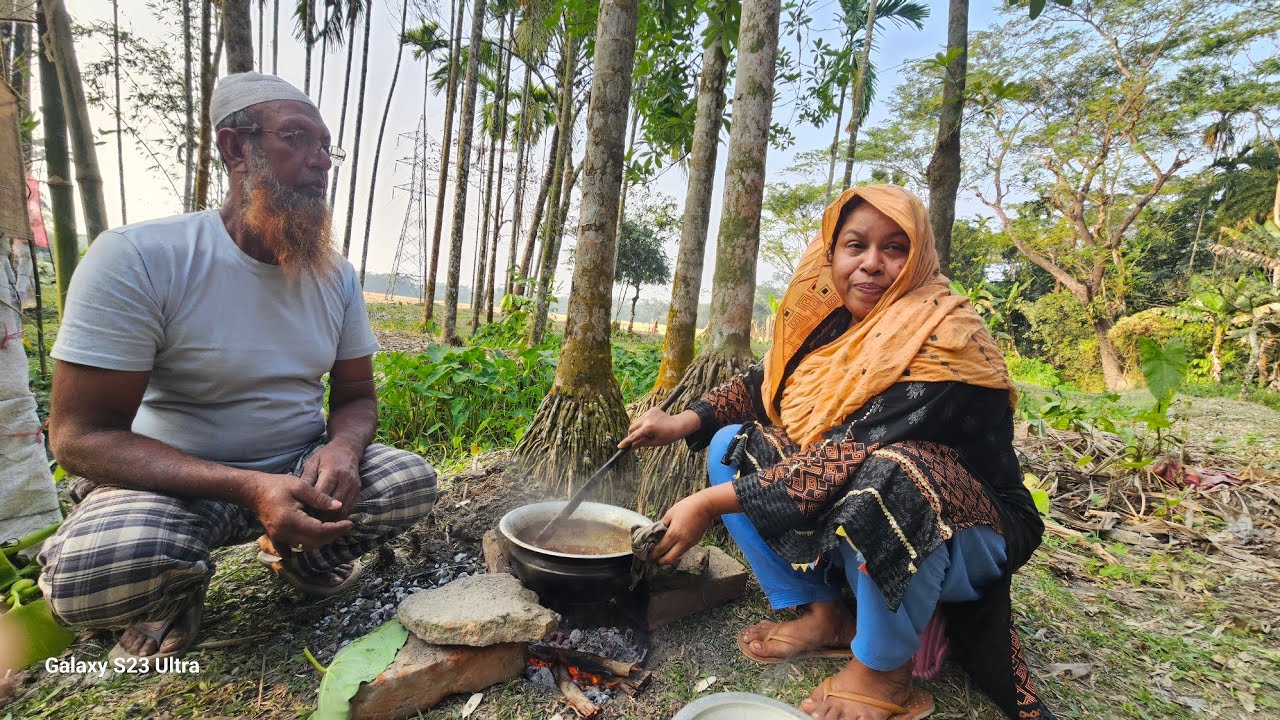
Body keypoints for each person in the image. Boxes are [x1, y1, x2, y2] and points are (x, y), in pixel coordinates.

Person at [37, 72, 438, 663]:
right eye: (295, 139)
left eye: (326, 147)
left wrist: (342, 450)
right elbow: (78, 437)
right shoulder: (141, 257)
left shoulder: (335, 276)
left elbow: (355, 395)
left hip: (299, 471)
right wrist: (249, 488)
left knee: (409, 481)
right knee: (93, 575)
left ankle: (299, 552)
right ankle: (175, 589)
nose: (319, 161)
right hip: (173, 485)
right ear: (235, 148)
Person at [621, 185, 1054, 720]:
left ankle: (883, 670)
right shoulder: (833, 322)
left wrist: (707, 504)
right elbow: (765, 382)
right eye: (855, 246)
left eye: (894, 248)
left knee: (892, 473)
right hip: (866, 489)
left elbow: (843, 457)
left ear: (920, 257)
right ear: (832, 255)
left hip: (971, 530)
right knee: (730, 447)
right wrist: (681, 421)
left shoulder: (947, 338)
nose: (871, 263)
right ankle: (826, 615)